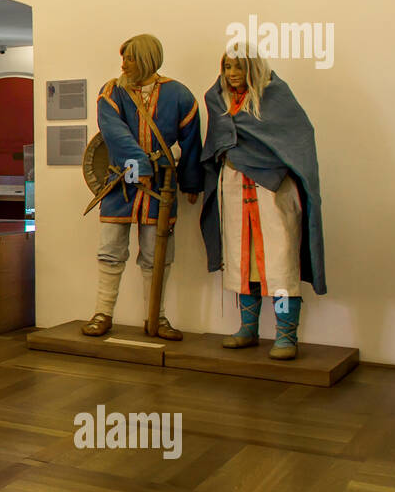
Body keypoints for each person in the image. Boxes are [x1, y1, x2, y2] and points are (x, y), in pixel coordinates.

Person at [199, 48, 325, 360]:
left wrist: (273, 168)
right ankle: (248, 328)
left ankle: (286, 335)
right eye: (227, 66)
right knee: (242, 262)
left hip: (273, 191)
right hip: (233, 187)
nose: (232, 74)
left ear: (253, 68)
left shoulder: (275, 95)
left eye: (239, 67)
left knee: (280, 263)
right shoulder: (218, 100)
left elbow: (298, 138)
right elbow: (215, 143)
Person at [82, 34, 202, 340]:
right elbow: (115, 134)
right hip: (120, 183)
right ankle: (102, 313)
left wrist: (191, 182)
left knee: (157, 254)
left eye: (130, 58)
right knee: (110, 250)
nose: (123, 64)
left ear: (147, 58)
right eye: (123, 58)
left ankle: (156, 319)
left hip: (161, 189)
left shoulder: (180, 95)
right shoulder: (112, 91)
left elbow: (190, 143)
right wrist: (141, 164)